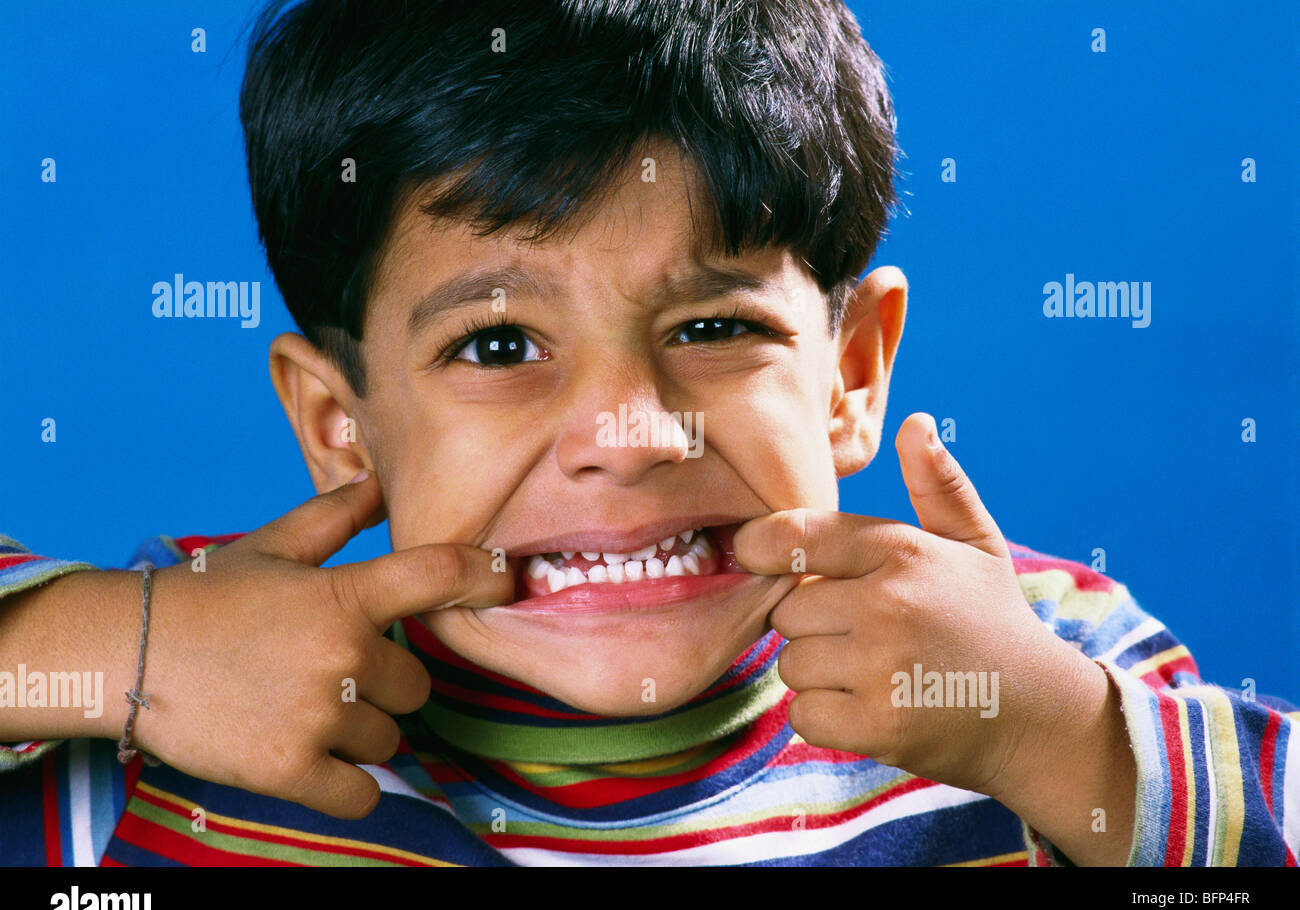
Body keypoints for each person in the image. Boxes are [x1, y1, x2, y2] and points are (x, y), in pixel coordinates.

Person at [1, 0, 1295, 866]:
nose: (627, 434)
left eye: (715, 329)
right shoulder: (174, 723)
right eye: (499, 347)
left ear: (851, 372)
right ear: (341, 423)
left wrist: (1052, 732)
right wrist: (119, 647)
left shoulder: (1036, 663)